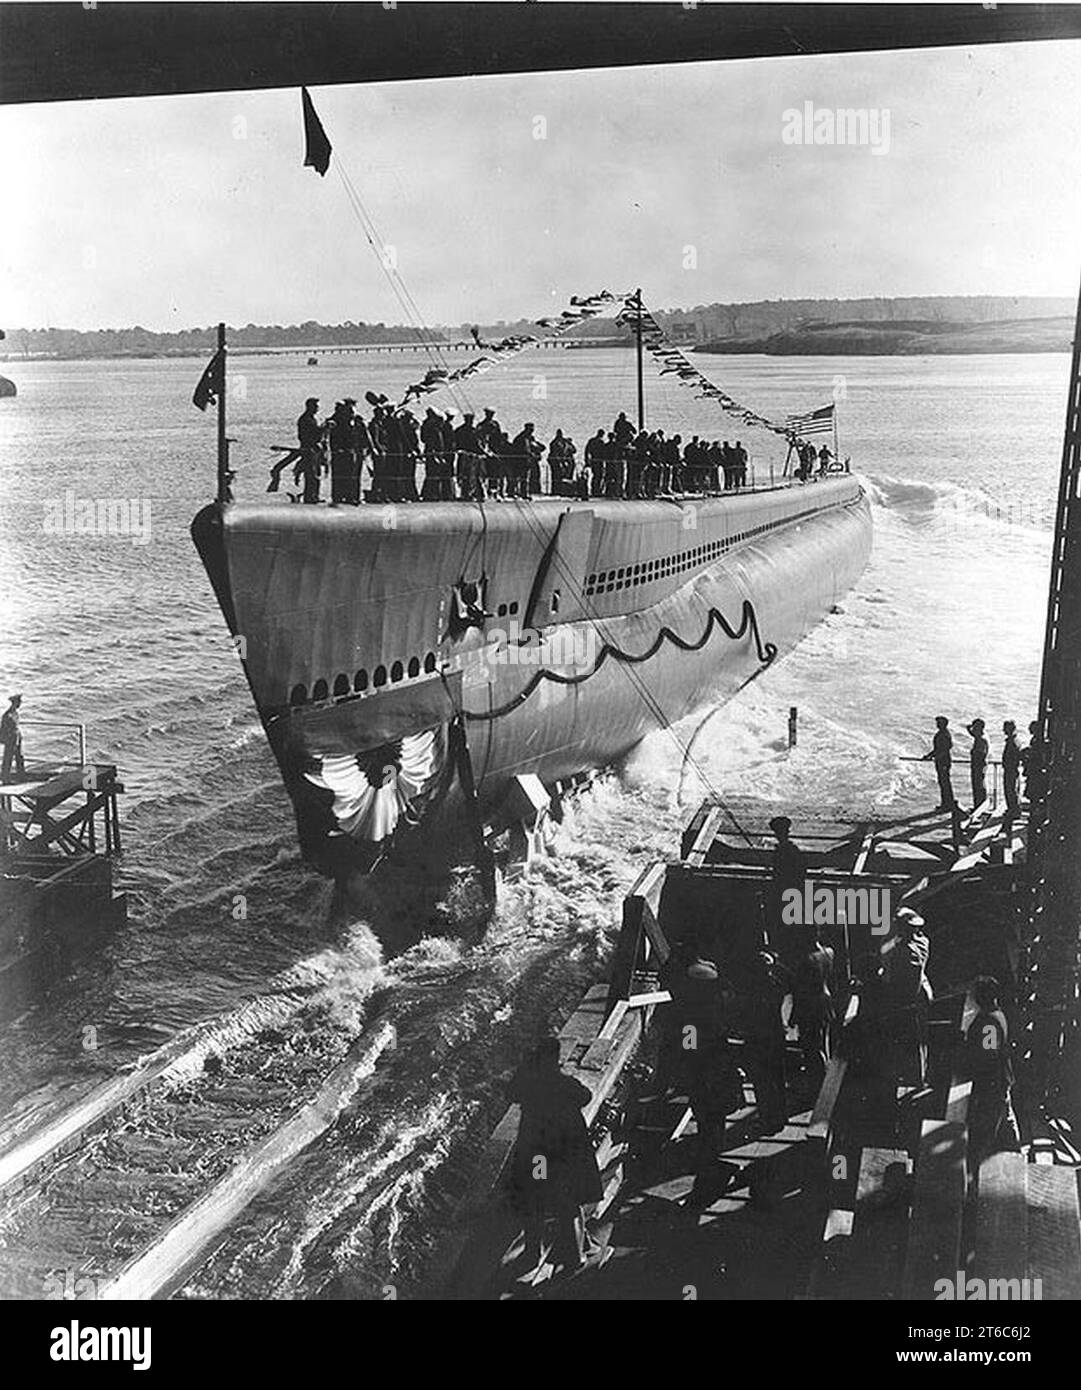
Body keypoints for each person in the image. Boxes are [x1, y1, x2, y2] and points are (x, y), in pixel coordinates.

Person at [506, 1037, 607, 1280]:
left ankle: (533, 1253)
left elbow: (510, 1093)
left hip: (536, 1154)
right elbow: (586, 1096)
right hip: (562, 1154)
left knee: (533, 1201)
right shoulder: (564, 1084)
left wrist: (525, 1068)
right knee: (568, 1204)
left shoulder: (529, 1084)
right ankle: (576, 1256)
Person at [962, 975, 1020, 1171]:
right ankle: (1017, 1153)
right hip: (1001, 1078)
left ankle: (979, 1168)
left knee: (987, 1127)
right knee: (1005, 1117)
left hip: (992, 1081)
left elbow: (988, 1054)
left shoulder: (987, 1022)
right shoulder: (998, 1014)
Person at [790, 935, 835, 1097]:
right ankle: (825, 1081)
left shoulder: (805, 960)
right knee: (824, 1044)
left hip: (809, 1007)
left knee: (811, 1048)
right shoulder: (829, 953)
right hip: (825, 1002)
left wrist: (794, 1015)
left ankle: (818, 1086)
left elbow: (799, 989)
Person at [767, 815, 807, 965]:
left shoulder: (782, 851)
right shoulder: (793, 850)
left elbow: (778, 875)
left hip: (784, 895)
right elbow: (803, 871)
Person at [923, 716, 956, 811]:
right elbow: (937, 749)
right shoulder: (941, 733)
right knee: (943, 782)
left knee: (945, 782)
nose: (937, 724)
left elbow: (945, 749)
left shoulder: (945, 734)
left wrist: (936, 756)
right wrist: (929, 755)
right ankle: (945, 803)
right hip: (941, 761)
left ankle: (948, 804)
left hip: (944, 761)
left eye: (939, 722)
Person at [296, 397, 326, 503]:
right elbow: (309, 436)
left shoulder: (310, 418)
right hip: (309, 450)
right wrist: (323, 429)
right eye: (316, 406)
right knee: (311, 475)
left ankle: (314, 496)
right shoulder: (306, 419)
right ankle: (310, 497)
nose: (318, 409)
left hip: (314, 450)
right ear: (310, 406)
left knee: (316, 474)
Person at [327, 400, 357, 505]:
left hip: (349, 451)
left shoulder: (349, 421)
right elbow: (333, 437)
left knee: (348, 474)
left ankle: (347, 495)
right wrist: (336, 448)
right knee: (339, 474)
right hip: (339, 452)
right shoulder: (337, 421)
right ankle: (338, 496)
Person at [1022, 720, 1046, 808]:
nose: (1029, 729)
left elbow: (1036, 754)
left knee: (1034, 793)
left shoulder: (1038, 740)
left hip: (1035, 770)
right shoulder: (1035, 739)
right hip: (1033, 769)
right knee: (1033, 794)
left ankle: (1034, 811)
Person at [1, 694, 25, 782]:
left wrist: (19, 737)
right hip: (10, 740)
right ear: (15, 703)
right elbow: (3, 729)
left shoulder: (15, 713)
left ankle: (21, 777)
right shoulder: (7, 715)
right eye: (19, 702)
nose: (20, 703)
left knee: (20, 758)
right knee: (8, 759)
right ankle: (5, 779)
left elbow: (17, 726)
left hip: (17, 739)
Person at [966, 718, 989, 809]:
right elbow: (971, 731)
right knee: (978, 785)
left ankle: (980, 806)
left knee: (978, 786)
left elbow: (980, 754)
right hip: (979, 764)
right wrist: (971, 727)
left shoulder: (981, 739)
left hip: (979, 765)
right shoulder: (980, 736)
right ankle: (978, 805)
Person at [1002, 720, 1021, 819]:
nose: (1003, 730)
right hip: (1011, 769)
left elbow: (1012, 756)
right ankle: (1013, 809)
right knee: (1012, 790)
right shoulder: (1015, 740)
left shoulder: (1012, 741)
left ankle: (1013, 810)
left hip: (1010, 769)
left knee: (1010, 790)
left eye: (1005, 728)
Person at [584, 429, 606, 498]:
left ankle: (594, 490)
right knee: (599, 476)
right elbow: (604, 452)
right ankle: (596, 491)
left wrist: (587, 460)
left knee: (595, 475)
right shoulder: (600, 442)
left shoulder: (592, 441)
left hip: (594, 460)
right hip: (599, 460)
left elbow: (587, 451)